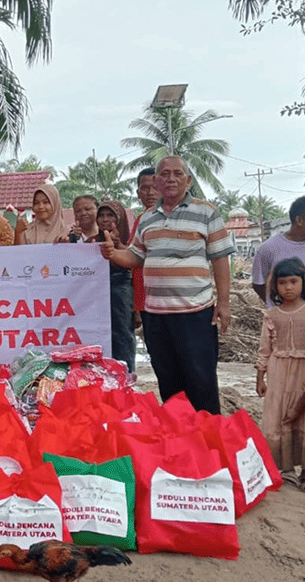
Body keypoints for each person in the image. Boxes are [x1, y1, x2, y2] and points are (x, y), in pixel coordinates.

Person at [100, 156, 234, 414]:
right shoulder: (147, 218)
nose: (171, 179)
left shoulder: (206, 212)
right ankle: (178, 432)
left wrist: (224, 303)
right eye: (164, 174)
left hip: (195, 313)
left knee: (202, 381)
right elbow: (136, 257)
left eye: (177, 173)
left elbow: (220, 258)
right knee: (168, 382)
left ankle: (208, 434)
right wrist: (114, 254)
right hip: (156, 317)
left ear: (188, 180)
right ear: (157, 181)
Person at [255, 257, 305, 493]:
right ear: (274, 286)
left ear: (303, 282)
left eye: (293, 281)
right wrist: (260, 376)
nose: (288, 287)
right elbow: (264, 348)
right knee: (278, 416)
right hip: (278, 372)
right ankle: (286, 469)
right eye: (282, 282)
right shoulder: (271, 315)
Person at [252, 195, 305, 307]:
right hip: (283, 316)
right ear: (299, 220)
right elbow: (258, 284)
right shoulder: (268, 249)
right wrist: (277, 306)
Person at [84, 200, 136, 374]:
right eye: (102, 216)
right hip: (95, 292)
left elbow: (134, 262)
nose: (105, 219)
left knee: (122, 335)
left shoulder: (131, 243)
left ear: (119, 219)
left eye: (110, 215)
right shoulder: (91, 242)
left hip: (120, 290)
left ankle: (125, 375)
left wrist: (117, 246)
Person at [131, 168, 158, 329]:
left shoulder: (176, 218)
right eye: (145, 188)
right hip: (144, 297)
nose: (150, 193)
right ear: (138, 193)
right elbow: (132, 254)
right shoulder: (141, 219)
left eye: (155, 188)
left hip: (169, 299)